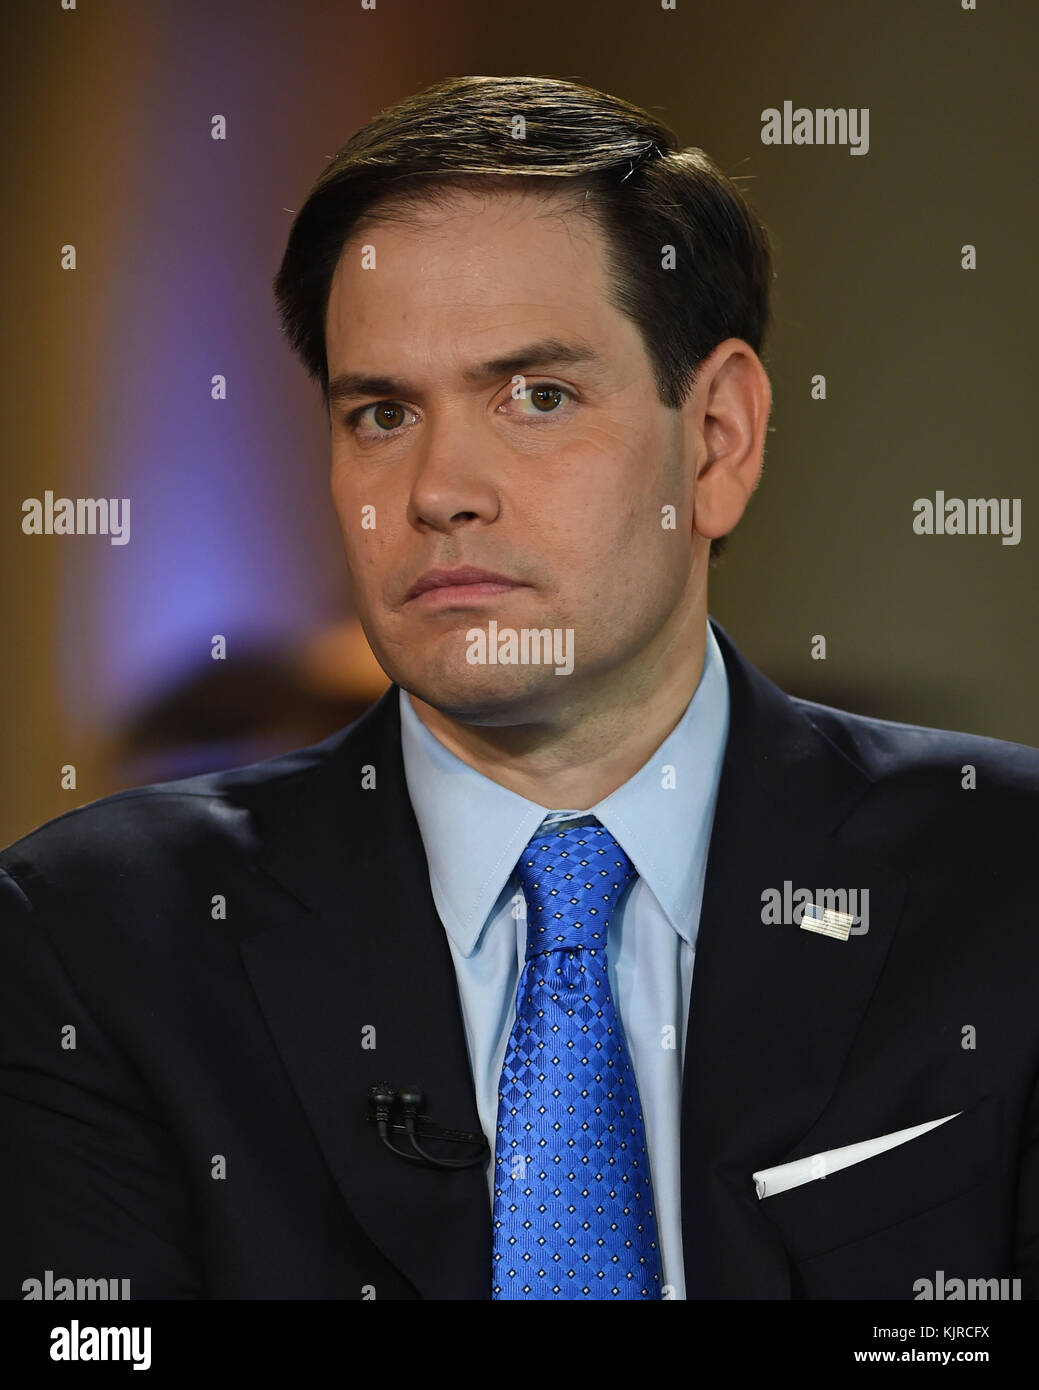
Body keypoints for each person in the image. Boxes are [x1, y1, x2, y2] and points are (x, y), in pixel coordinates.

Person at [2, 74, 1037, 1302]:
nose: (440, 487)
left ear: (717, 440)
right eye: (381, 412)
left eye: (535, 397)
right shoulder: (94, 936)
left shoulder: (1005, 878)